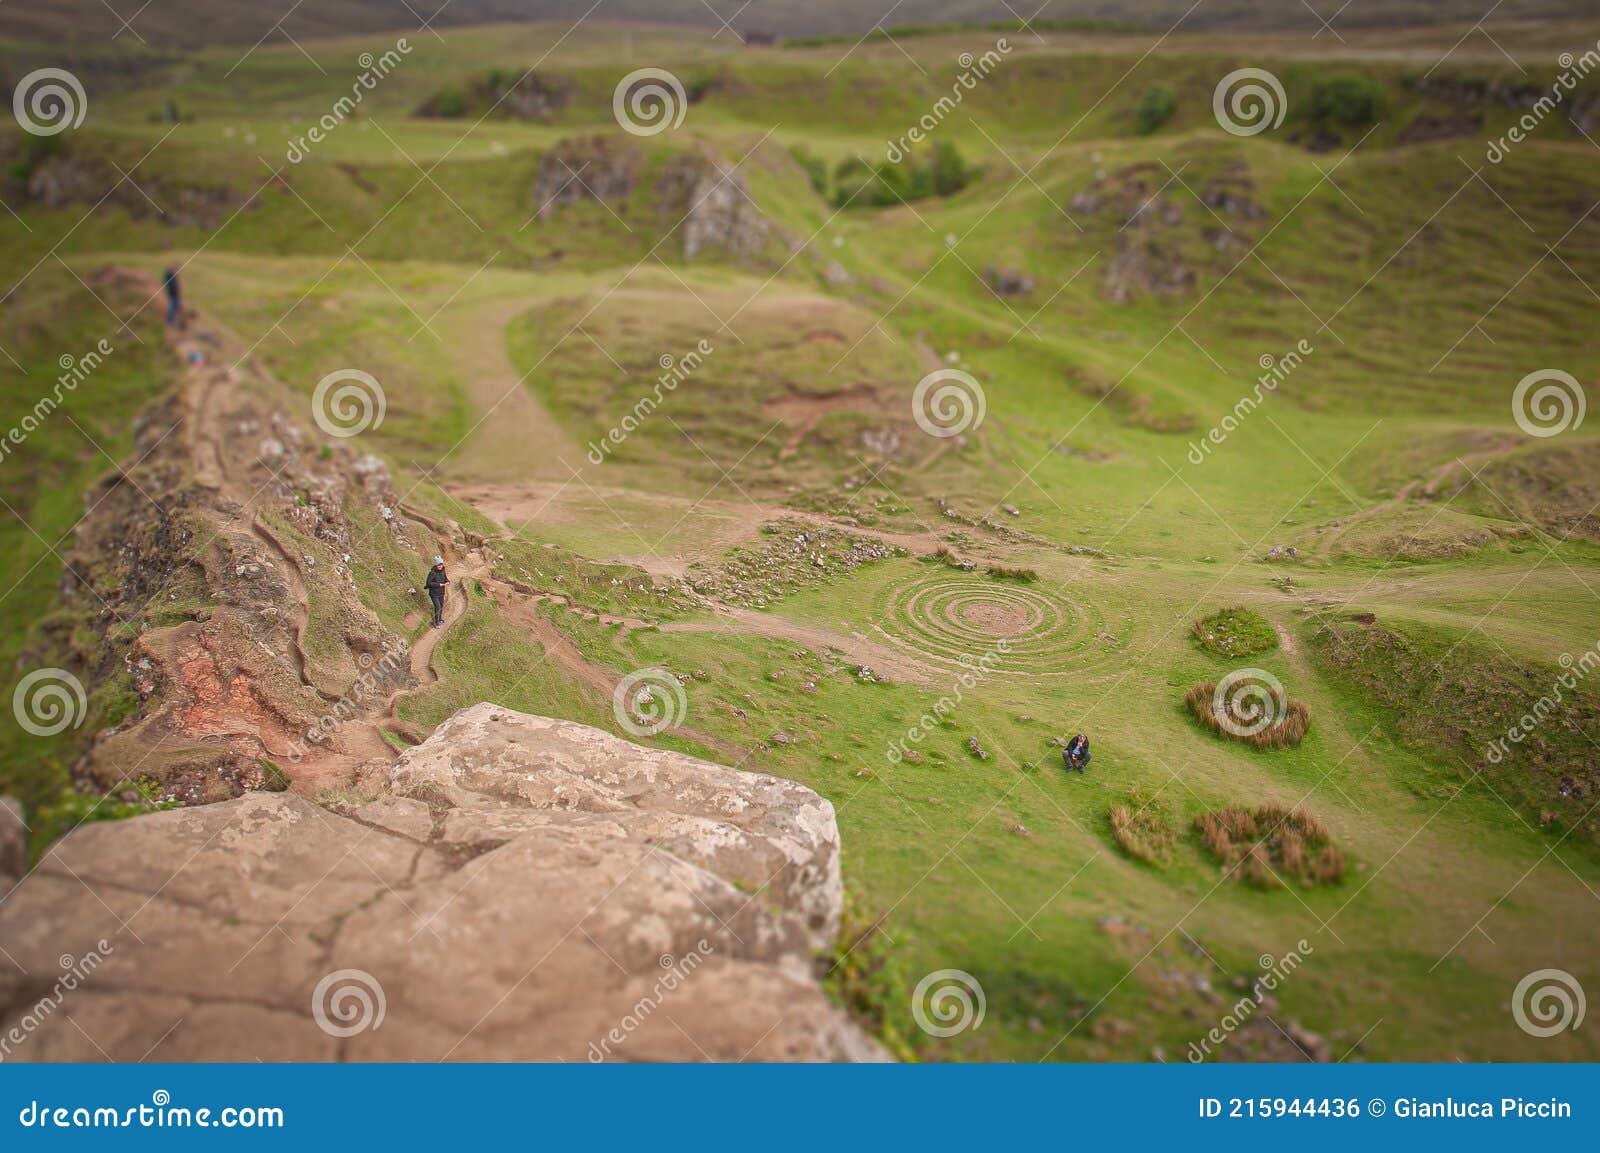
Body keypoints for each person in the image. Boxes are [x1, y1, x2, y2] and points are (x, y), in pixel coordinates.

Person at [425, 556, 448, 628]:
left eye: (441, 564)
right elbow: (428, 583)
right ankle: (436, 622)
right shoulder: (432, 573)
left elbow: (445, 578)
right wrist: (439, 584)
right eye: (438, 565)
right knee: (438, 607)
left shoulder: (443, 570)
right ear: (436, 565)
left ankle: (440, 619)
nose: (440, 566)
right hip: (434, 594)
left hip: (441, 593)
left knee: (441, 606)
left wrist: (448, 581)